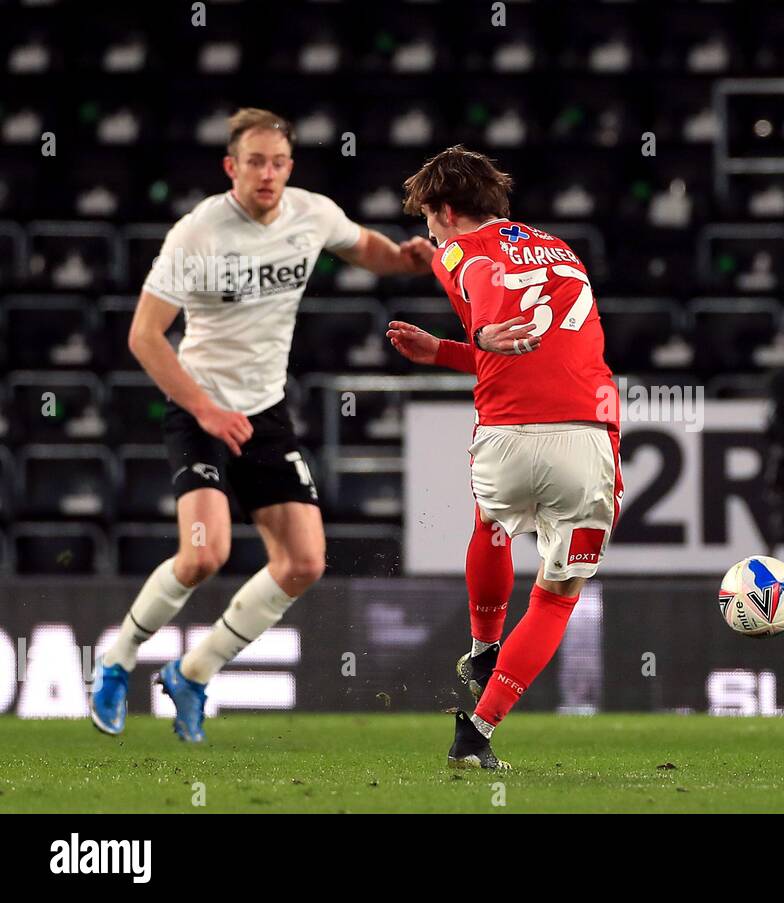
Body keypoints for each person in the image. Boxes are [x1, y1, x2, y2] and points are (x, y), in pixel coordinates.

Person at [90, 108, 437, 742]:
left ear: (290, 167)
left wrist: (406, 261)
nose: (268, 174)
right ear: (232, 167)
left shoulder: (312, 213)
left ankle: (193, 674)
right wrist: (204, 408)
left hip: (264, 413)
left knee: (304, 562)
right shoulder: (198, 234)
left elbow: (365, 248)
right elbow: (144, 336)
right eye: (255, 162)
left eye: (278, 162)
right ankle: (115, 661)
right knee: (204, 555)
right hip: (200, 409)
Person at [388, 145, 621, 770]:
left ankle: (484, 645)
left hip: (504, 438)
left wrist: (476, 332)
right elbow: (533, 343)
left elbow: (484, 281)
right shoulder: (561, 250)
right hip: (584, 436)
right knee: (556, 597)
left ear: (446, 210)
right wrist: (450, 348)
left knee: (491, 521)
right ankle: (477, 734)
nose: (429, 233)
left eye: (427, 218)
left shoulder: (457, 250)